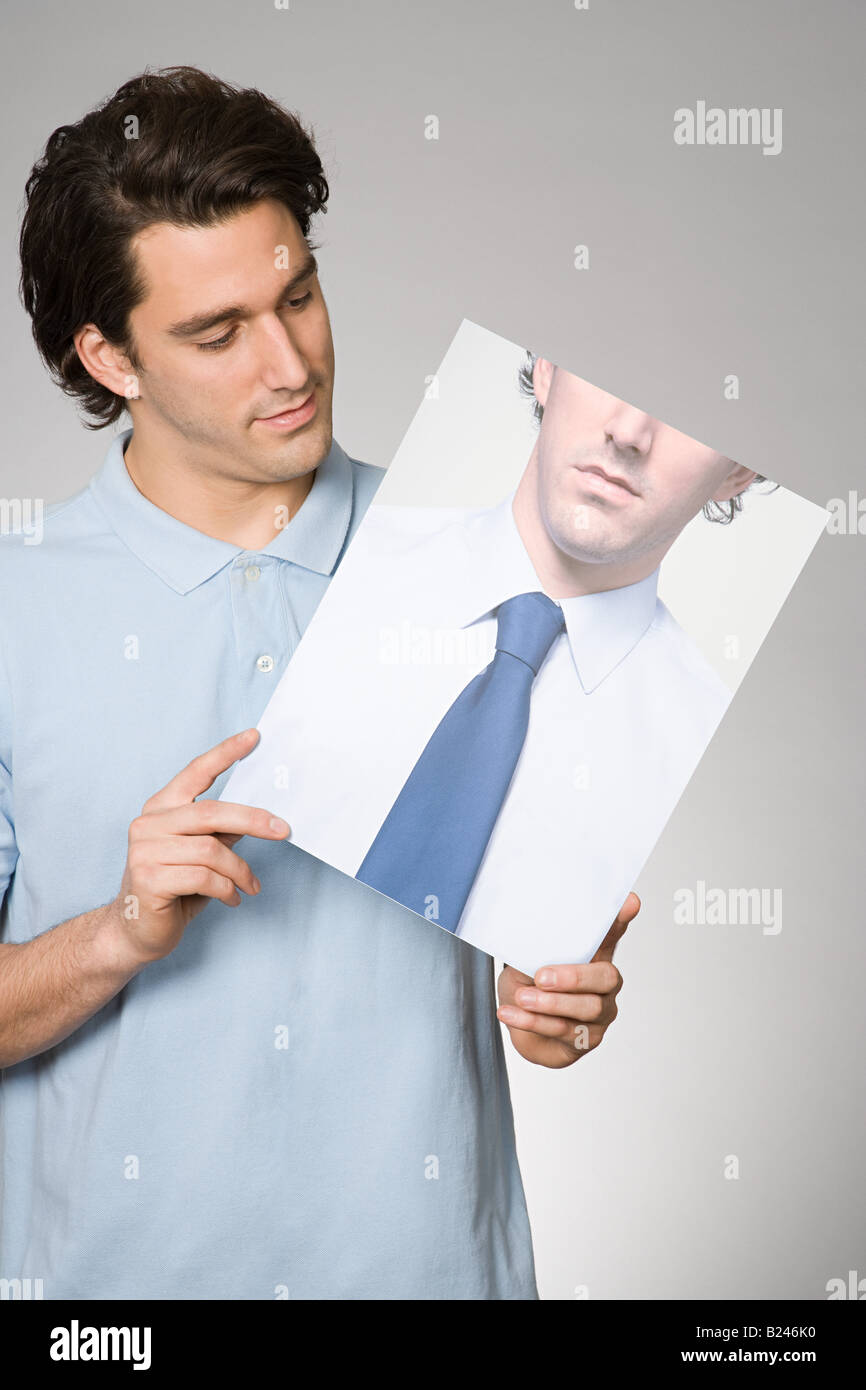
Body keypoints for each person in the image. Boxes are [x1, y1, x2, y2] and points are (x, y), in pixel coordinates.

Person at [0, 65, 632, 1302]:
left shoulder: (495, 564)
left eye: (298, 296)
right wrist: (116, 934)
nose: (287, 363)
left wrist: (553, 1002)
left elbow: (541, 976)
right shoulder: (13, 606)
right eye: (216, 333)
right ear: (106, 355)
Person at [224, 354, 762, 975]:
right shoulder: (321, 561)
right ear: (548, 368)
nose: (630, 432)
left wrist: (549, 1012)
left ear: (739, 470)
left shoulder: (697, 731)